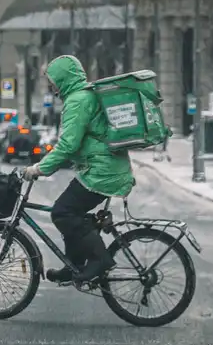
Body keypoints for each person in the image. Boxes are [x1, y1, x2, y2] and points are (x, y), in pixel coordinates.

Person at [22, 55, 134, 284]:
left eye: (53, 81)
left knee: (62, 212)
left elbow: (68, 144)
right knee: (70, 214)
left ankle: (99, 260)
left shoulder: (78, 100)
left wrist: (39, 169)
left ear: (63, 79)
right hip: (102, 168)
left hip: (102, 172)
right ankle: (73, 265)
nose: (52, 87)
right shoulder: (84, 96)